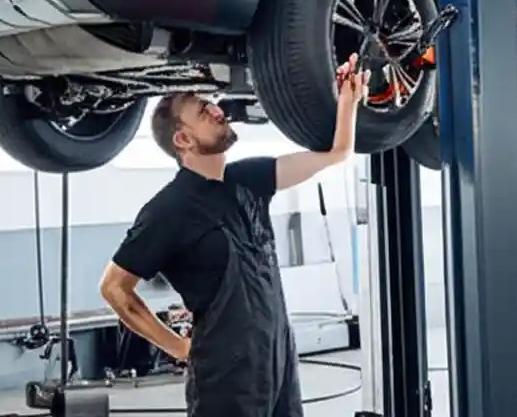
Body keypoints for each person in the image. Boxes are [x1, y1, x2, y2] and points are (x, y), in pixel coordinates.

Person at [100, 54, 370, 417]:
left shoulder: (250, 178)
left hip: (278, 363)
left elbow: (337, 153)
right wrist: (177, 347)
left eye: (211, 105)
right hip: (225, 379)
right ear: (183, 139)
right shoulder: (169, 209)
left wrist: (348, 100)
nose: (217, 112)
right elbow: (114, 287)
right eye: (202, 112)